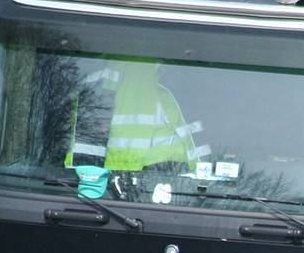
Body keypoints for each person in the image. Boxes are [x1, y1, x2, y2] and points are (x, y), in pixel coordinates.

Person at [64, 59, 208, 190]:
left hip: (97, 194)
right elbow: (191, 159)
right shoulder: (165, 89)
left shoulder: (87, 73)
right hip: (149, 195)